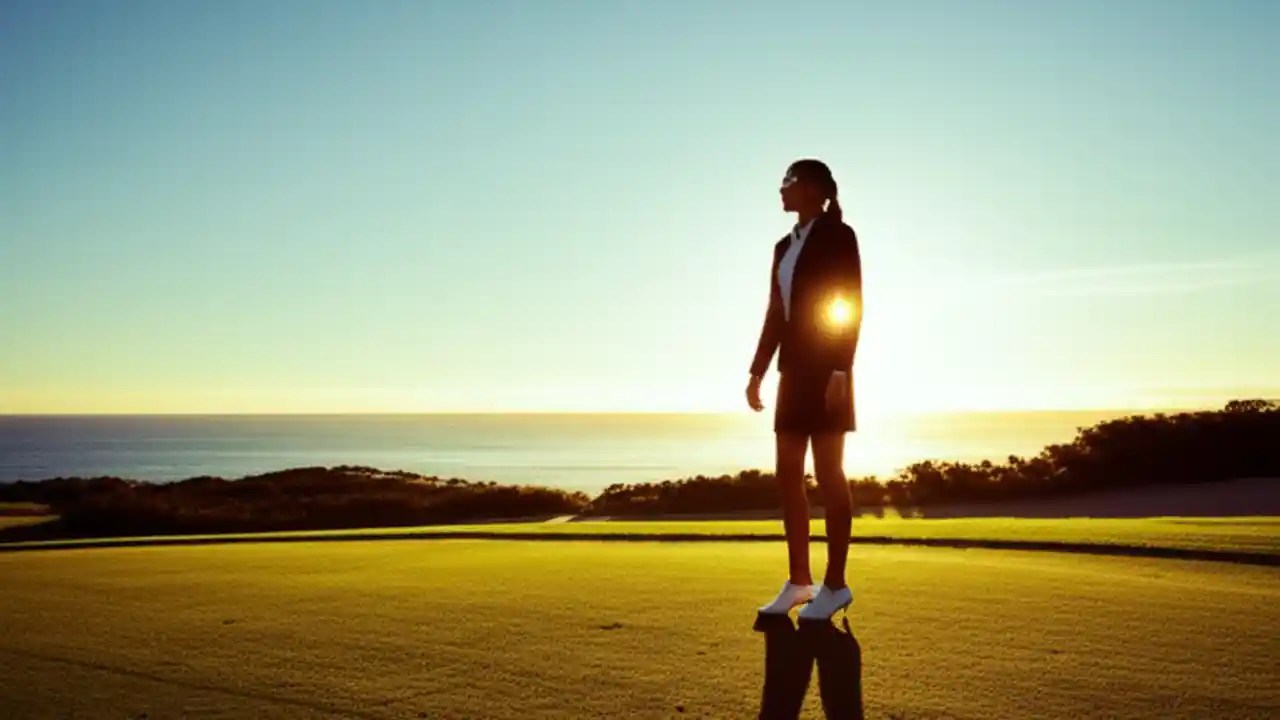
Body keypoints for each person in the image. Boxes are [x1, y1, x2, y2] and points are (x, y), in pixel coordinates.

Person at [747, 159, 863, 622]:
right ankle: (799, 581)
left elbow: (850, 301)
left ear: (812, 189)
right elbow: (775, 313)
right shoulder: (781, 246)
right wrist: (757, 371)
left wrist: (841, 368)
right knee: (786, 473)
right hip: (792, 372)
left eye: (788, 183)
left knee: (829, 473)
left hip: (828, 368)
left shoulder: (840, 235)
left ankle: (835, 584)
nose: (781, 190)